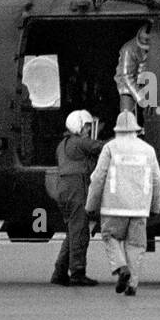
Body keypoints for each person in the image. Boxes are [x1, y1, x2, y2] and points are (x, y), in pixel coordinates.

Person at [85, 111, 160, 297]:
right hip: (139, 208)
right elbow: (157, 180)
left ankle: (121, 267)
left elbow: (98, 178)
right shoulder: (148, 149)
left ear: (117, 129)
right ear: (135, 129)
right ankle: (132, 285)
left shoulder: (110, 148)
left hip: (113, 206)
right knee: (136, 246)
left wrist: (91, 205)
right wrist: (155, 207)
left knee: (110, 237)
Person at [50, 109, 104, 287]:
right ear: (79, 126)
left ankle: (60, 271)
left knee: (72, 231)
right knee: (80, 232)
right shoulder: (80, 143)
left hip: (63, 190)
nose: (88, 130)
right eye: (87, 126)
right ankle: (78, 273)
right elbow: (102, 147)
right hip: (76, 190)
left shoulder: (63, 145)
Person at [114, 22, 153, 114]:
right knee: (127, 116)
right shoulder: (129, 49)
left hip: (147, 83)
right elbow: (127, 76)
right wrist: (140, 98)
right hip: (128, 87)